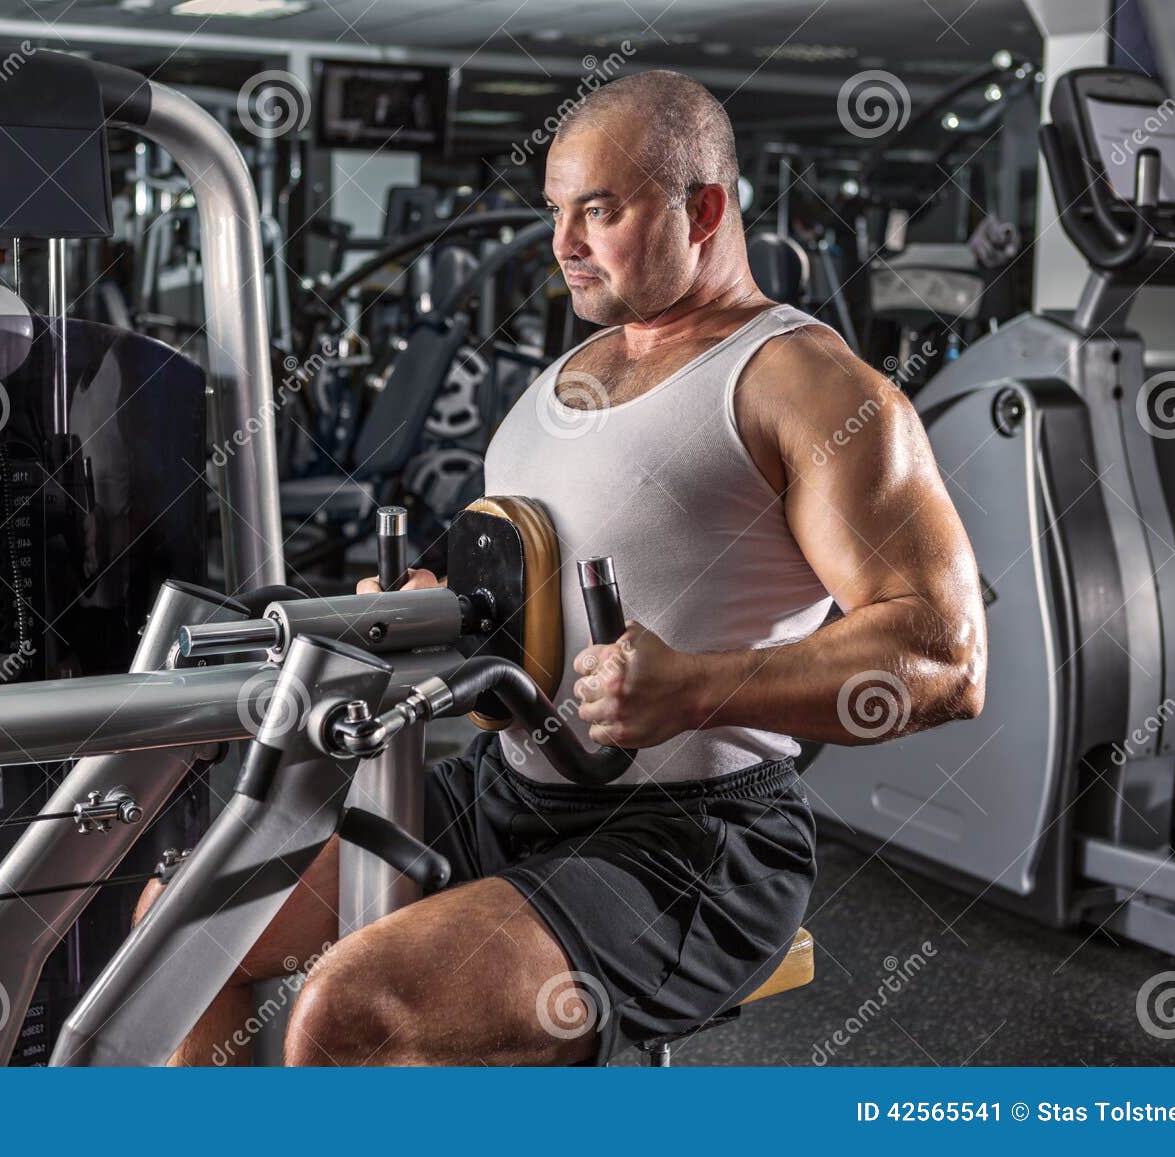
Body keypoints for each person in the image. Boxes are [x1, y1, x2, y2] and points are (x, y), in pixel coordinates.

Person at [135, 69, 986, 1066]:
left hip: (690, 842)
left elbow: (942, 656)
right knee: (178, 926)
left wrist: (700, 689)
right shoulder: (566, 377)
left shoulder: (806, 384)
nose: (562, 244)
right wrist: (406, 610)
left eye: (599, 210)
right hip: (510, 788)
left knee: (351, 1010)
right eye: (554, 212)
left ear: (702, 208)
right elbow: (504, 560)